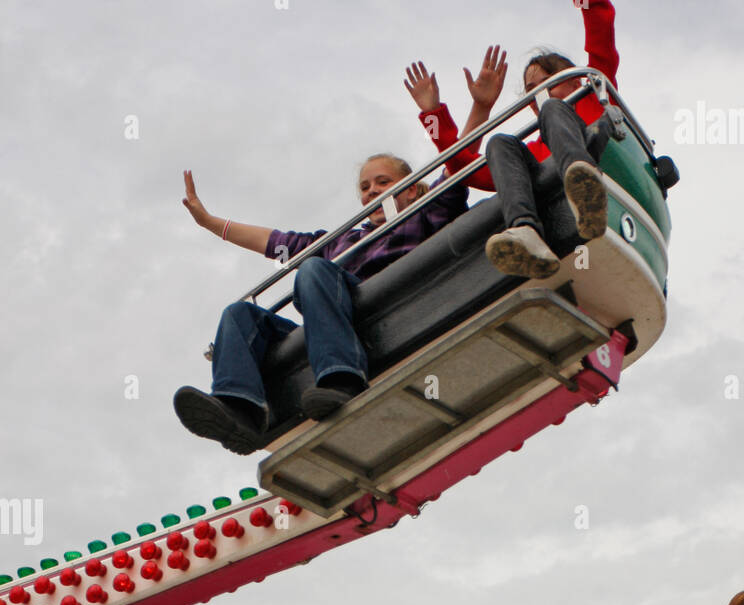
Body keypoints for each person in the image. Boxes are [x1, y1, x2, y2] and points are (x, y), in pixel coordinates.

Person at [174, 153, 468, 449]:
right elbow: (278, 244)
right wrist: (211, 223)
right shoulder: (342, 242)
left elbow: (457, 168)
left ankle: (343, 379)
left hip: (382, 307)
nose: (373, 191)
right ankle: (240, 410)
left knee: (313, 270)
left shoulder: (425, 213)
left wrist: (468, 112)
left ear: (411, 189)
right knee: (239, 314)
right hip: (334, 320)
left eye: (383, 182)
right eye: (365, 187)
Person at [406, 1, 619, 278]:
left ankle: (583, 180)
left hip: (602, 163)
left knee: (554, 110)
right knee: (500, 143)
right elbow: (464, 168)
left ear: (574, 83)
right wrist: (433, 115)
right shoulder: (536, 153)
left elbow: (601, 39)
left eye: (549, 82)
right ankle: (526, 231)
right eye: (532, 90)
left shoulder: (594, 100)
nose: (540, 94)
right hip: (557, 208)